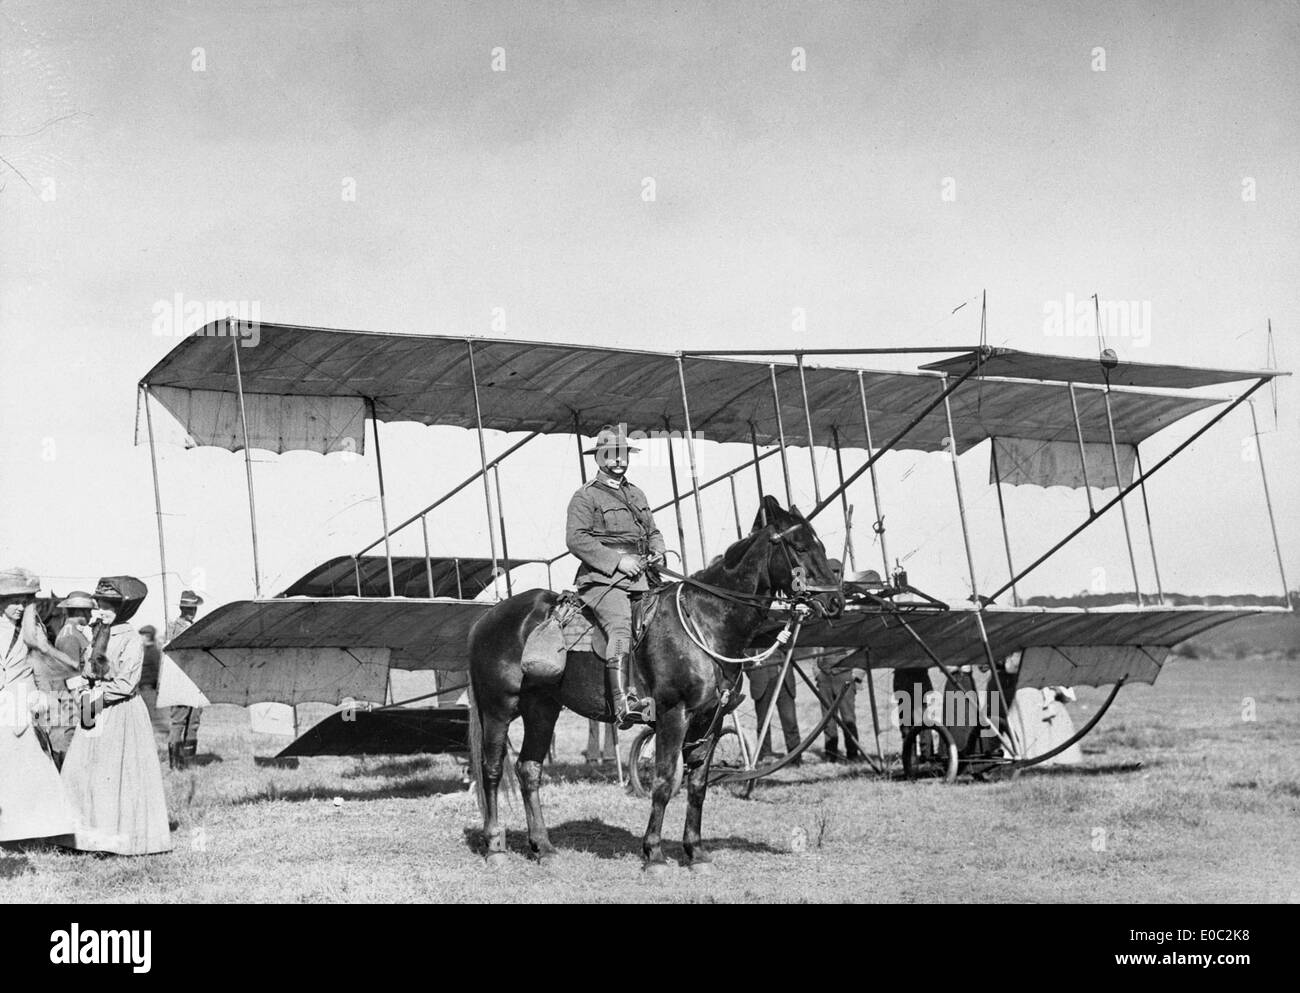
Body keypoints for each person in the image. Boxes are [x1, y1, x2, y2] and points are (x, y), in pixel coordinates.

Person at [61, 576, 172, 855]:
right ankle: (82, 837)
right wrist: (82, 688)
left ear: (123, 609)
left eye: (111, 606)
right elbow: (87, 670)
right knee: (80, 770)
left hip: (118, 710)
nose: (104, 610)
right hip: (93, 706)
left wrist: (94, 698)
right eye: (102, 604)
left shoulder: (131, 639)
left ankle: (114, 839)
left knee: (112, 773)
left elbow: (125, 684)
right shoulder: (98, 633)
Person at [565, 423, 664, 730]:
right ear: (599, 458)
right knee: (621, 629)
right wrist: (618, 563)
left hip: (643, 578)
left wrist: (658, 549)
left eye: (623, 454)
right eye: (612, 454)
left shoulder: (636, 493)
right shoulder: (585, 497)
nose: (619, 460)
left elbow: (652, 530)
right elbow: (576, 539)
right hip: (602, 581)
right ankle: (624, 705)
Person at [0, 566, 78, 846]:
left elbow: (41, 668)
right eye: (13, 601)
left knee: (32, 772)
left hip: (23, 704)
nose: (20, 608)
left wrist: (41, 698)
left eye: (25, 601)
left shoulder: (33, 633)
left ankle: (33, 834)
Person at [36, 591, 95, 769]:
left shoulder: (73, 632)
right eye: (88, 611)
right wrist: (85, 704)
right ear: (79, 611)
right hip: (73, 696)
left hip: (74, 694)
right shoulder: (70, 635)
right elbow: (72, 673)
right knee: (72, 740)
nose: (90, 615)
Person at [165, 589, 204, 768]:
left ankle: (188, 762)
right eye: (189, 608)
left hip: (195, 680)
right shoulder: (174, 628)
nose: (192, 611)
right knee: (179, 721)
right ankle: (176, 763)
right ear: (183, 608)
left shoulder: (195, 628)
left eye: (193, 608)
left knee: (193, 721)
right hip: (180, 680)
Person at [812, 646, 866, 762]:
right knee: (827, 719)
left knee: (848, 719)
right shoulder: (822, 630)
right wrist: (818, 674)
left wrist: (855, 675)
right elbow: (816, 652)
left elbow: (860, 651)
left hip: (845, 676)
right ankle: (830, 755)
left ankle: (853, 754)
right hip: (825, 678)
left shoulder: (850, 629)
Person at [747, 661, 802, 765]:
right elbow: (747, 662)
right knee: (763, 723)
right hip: (762, 683)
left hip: (784, 682)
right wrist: (758, 676)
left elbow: (792, 652)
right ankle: (766, 755)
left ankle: (795, 757)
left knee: (790, 720)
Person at [136, 624, 172, 746]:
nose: (141, 638)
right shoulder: (142, 651)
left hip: (148, 689)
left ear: (149, 636)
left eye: (144, 635)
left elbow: (158, 671)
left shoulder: (153, 652)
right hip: (140, 689)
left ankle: (166, 738)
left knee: (155, 717)